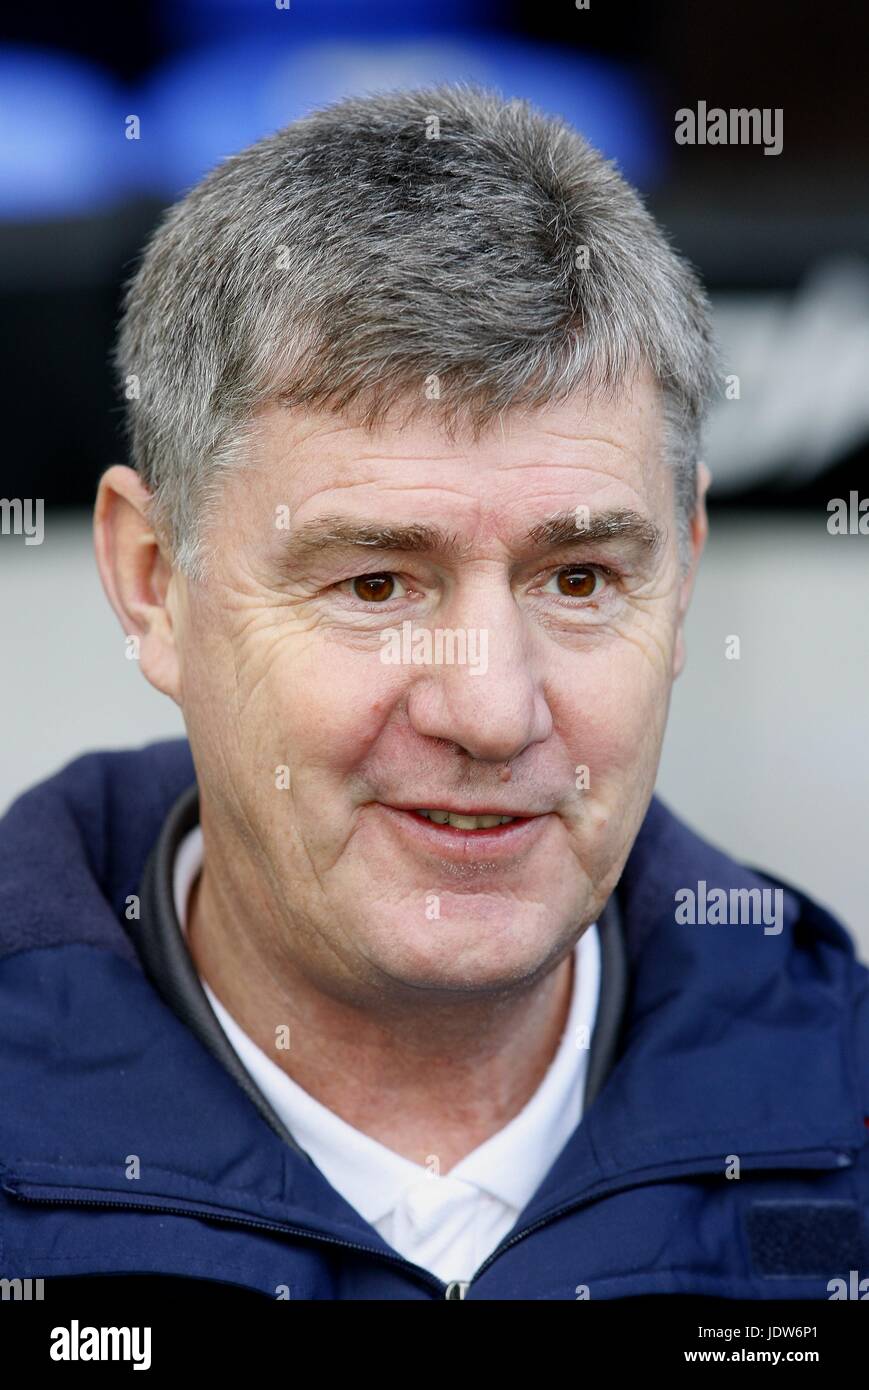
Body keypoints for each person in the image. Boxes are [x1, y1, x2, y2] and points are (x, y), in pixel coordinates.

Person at [1, 85, 867, 1302]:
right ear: (155, 585)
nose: (491, 713)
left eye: (577, 577)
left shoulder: (842, 1119)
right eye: (374, 582)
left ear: (680, 574)